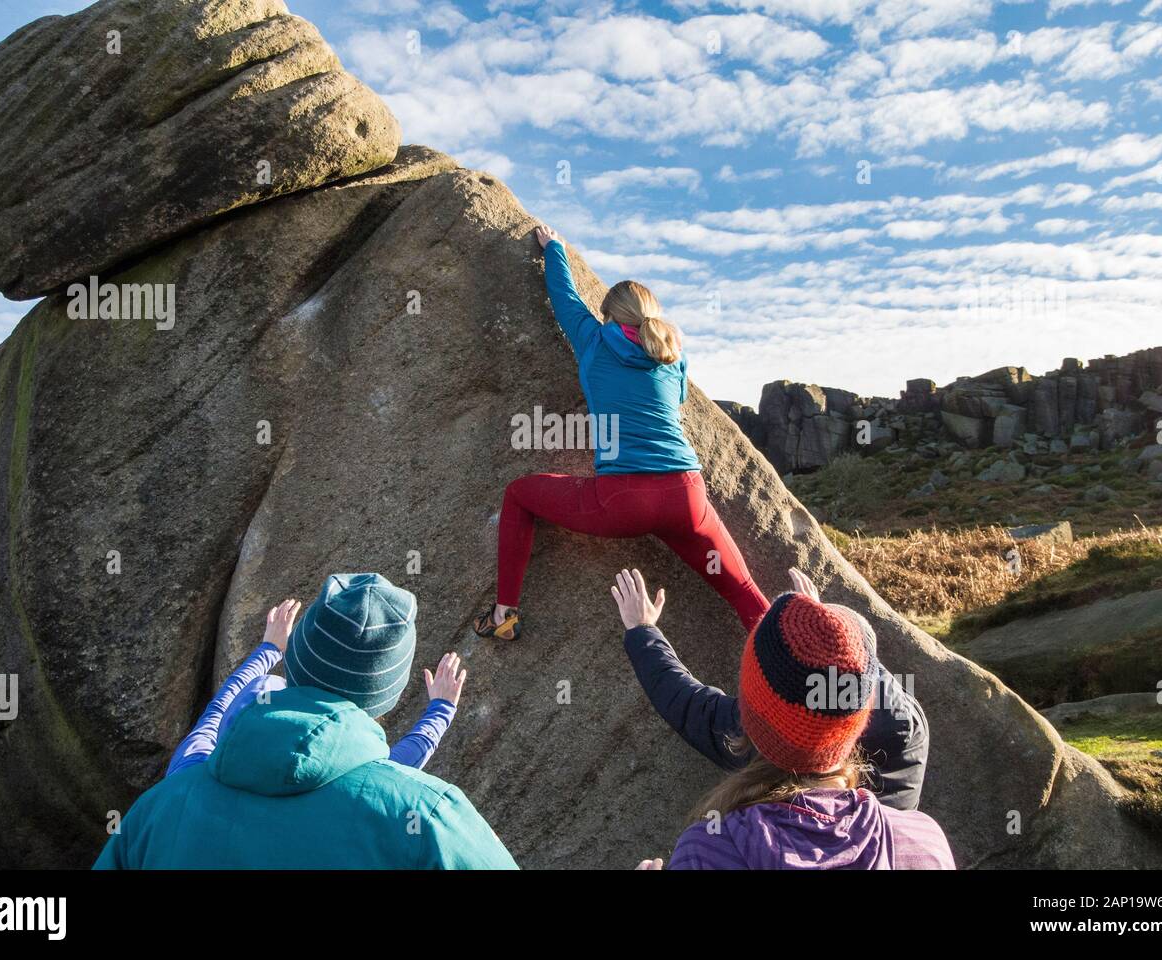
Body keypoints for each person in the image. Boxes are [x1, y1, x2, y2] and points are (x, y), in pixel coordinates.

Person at [94, 573, 517, 870]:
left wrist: (267, 651)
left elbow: (213, 716)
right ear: (386, 692)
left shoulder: (161, 805)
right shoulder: (423, 815)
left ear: (296, 661)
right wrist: (440, 710)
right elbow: (403, 762)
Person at [473, 224, 769, 641]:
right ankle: (793, 671)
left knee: (520, 494)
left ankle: (505, 614)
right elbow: (678, 399)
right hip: (685, 497)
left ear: (610, 317)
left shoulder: (595, 341)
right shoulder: (673, 357)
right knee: (744, 590)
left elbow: (565, 298)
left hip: (622, 500)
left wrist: (554, 247)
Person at [617, 569, 954, 870]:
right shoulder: (924, 845)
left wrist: (642, 632)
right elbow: (854, 675)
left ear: (750, 712)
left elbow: (692, 707)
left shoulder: (705, 853)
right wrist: (826, 634)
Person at [164, 599, 466, 777]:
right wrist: (441, 708)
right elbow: (397, 767)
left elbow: (220, 705)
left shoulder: (191, 765)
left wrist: (269, 649)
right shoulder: (342, 788)